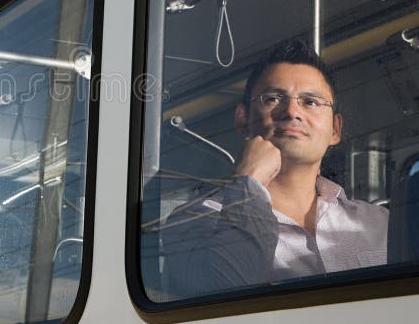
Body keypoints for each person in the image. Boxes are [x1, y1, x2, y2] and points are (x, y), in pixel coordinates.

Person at [161, 40, 388, 297]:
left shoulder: (382, 224)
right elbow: (227, 295)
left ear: (335, 129)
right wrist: (249, 182)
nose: (292, 112)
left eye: (311, 102)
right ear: (242, 119)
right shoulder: (195, 221)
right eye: (272, 98)